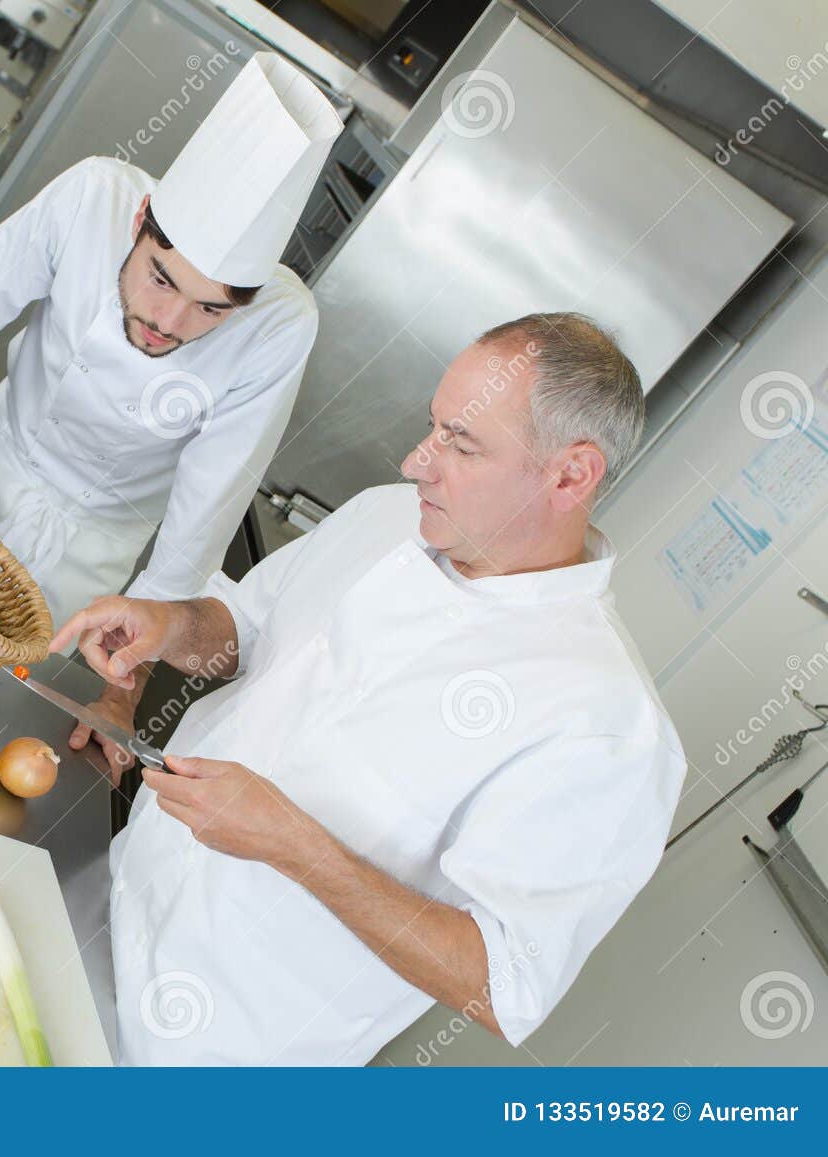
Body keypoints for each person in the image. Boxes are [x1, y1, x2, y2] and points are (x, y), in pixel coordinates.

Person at [51, 313, 687, 1064]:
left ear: (571, 474)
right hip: (112, 895)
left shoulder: (606, 722)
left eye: (463, 442)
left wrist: (292, 844)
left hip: (208, 1054)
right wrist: (169, 626)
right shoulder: (389, 515)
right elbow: (246, 630)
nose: (419, 460)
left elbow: (502, 983)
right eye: (434, 426)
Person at [0, 53, 342, 638]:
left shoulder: (280, 327)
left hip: (84, 558)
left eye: (210, 309)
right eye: (161, 279)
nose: (169, 321)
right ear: (139, 220)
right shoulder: (92, 198)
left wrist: (127, 676)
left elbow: (207, 508)